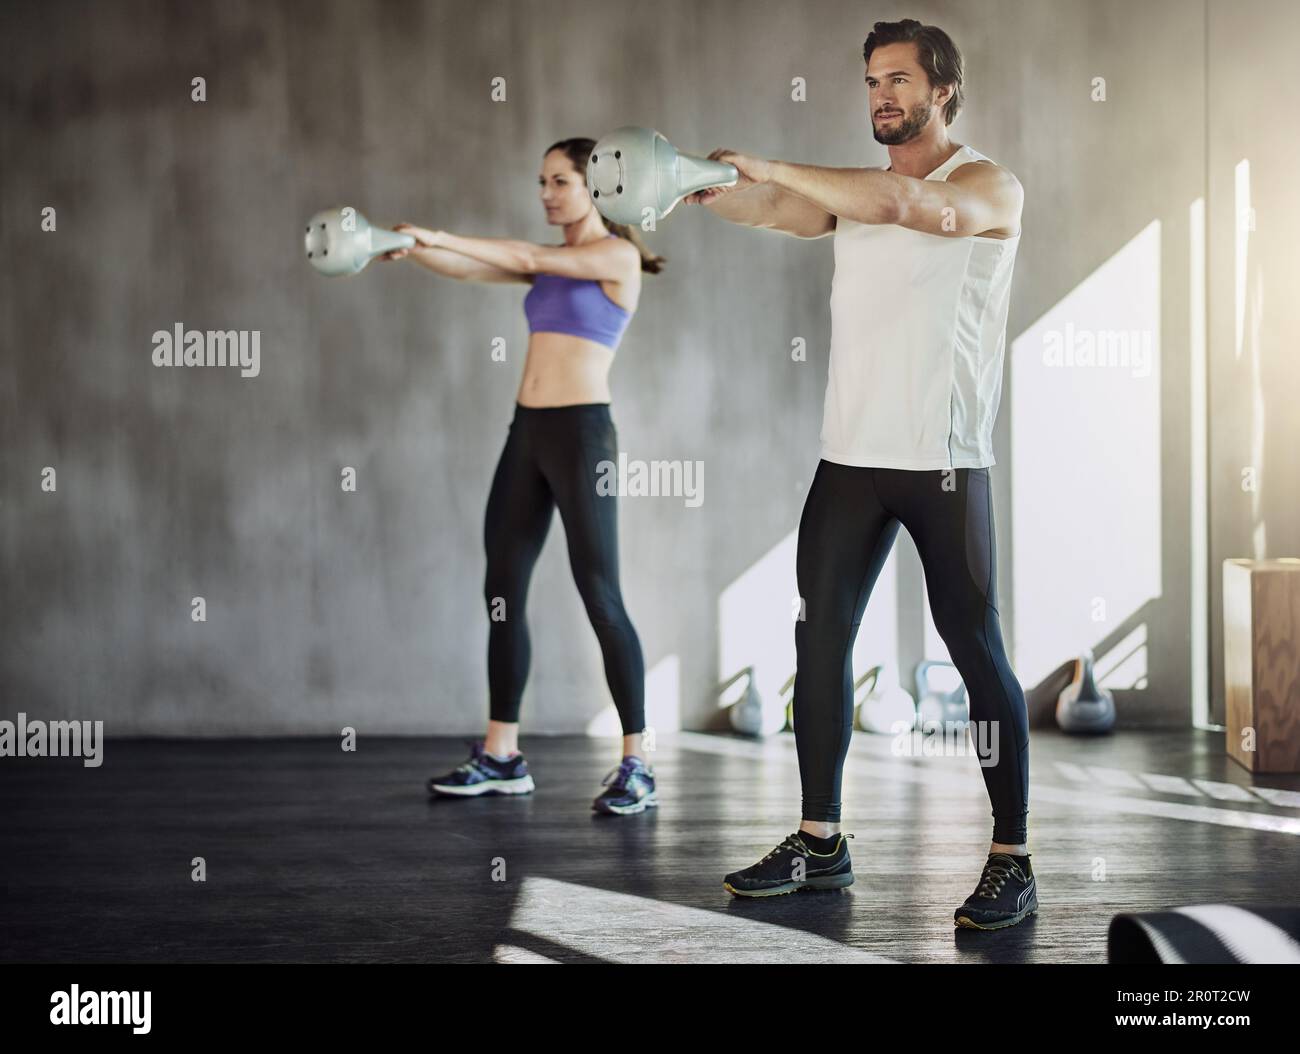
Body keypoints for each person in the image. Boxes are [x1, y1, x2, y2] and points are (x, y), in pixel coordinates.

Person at [690, 19, 1036, 928]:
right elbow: (772, 210)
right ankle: (821, 842)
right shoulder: (849, 192)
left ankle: (1012, 854)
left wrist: (769, 162)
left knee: (974, 650)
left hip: (944, 458)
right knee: (820, 641)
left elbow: (899, 206)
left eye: (898, 80)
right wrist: (691, 186)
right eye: (871, 81)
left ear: (943, 90)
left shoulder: (987, 186)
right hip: (852, 455)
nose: (881, 95)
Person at [384, 138, 663, 816]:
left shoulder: (615, 257)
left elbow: (527, 255)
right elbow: (474, 269)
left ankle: (638, 762)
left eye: (560, 181)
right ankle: (502, 755)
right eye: (541, 180)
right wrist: (409, 247)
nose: (547, 193)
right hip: (527, 434)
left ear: (596, 186)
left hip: (582, 435)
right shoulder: (548, 267)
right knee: (502, 586)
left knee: (601, 593)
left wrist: (437, 232)